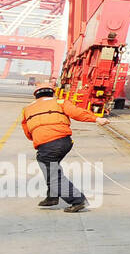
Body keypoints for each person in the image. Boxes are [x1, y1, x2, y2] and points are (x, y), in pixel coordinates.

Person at [21, 80, 106, 213]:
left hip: (47, 145)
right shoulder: (59, 102)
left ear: (36, 95)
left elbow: (27, 132)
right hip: (65, 142)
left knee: (53, 174)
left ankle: (77, 200)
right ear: (52, 93)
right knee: (52, 169)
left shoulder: (27, 109)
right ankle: (52, 197)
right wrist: (96, 119)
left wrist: (40, 137)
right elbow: (77, 112)